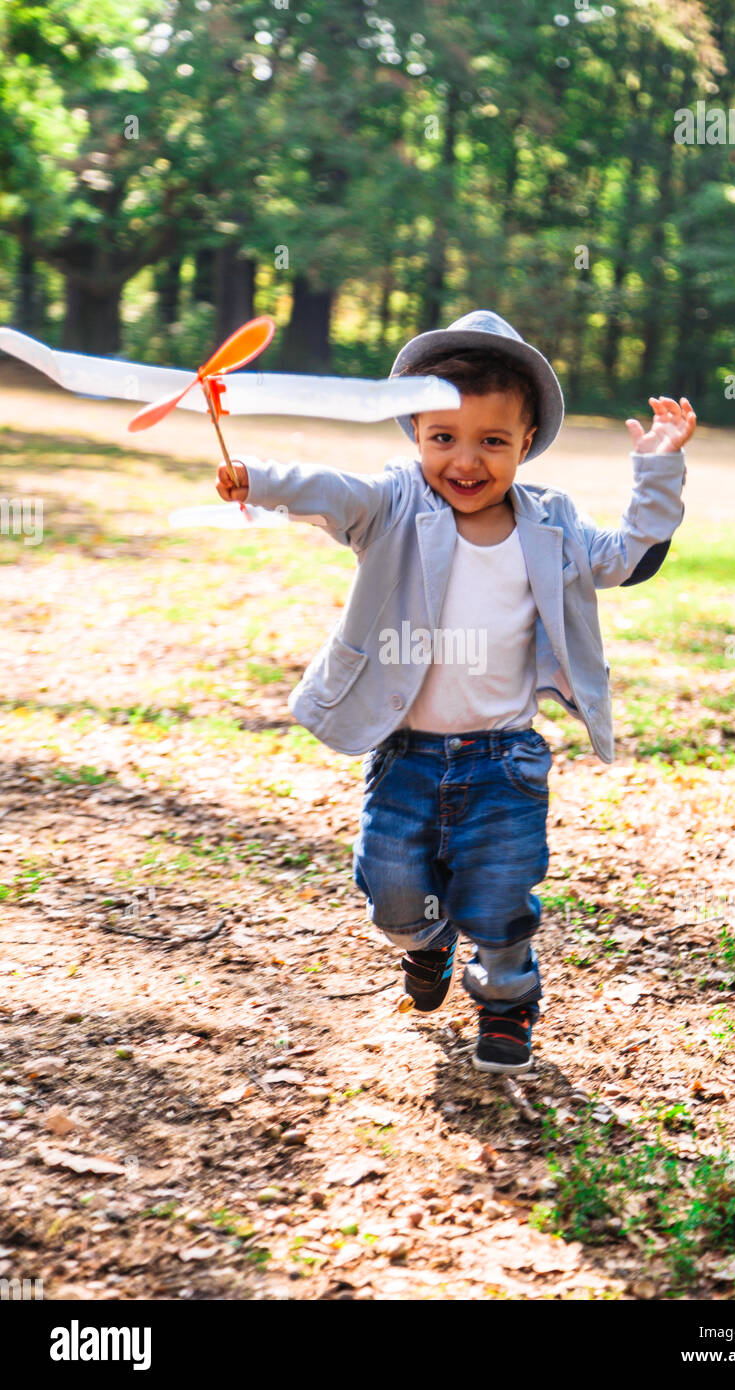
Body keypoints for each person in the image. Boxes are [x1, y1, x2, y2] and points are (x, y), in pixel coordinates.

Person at [215, 309, 695, 1074]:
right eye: (444, 438)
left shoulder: (553, 522)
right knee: (394, 892)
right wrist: (259, 480)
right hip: (406, 752)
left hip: (504, 759)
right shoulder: (394, 505)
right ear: (415, 437)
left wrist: (658, 471)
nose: (465, 461)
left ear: (526, 445)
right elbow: (330, 491)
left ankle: (506, 1003)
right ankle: (426, 944)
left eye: (492, 442)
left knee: (502, 896)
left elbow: (630, 558)